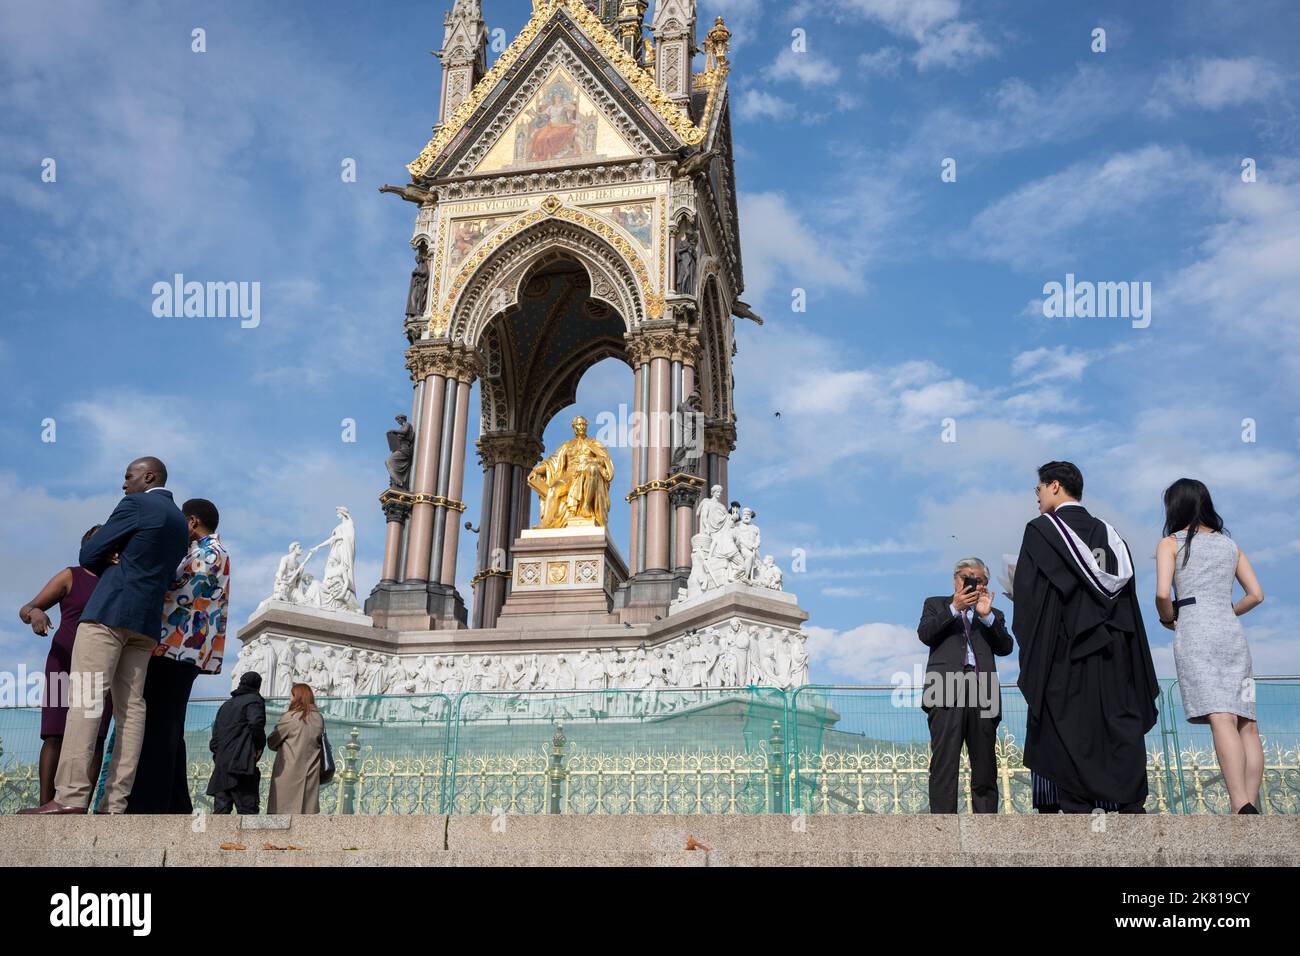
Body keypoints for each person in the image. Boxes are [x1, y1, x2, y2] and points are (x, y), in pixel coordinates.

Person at [21, 457, 189, 815]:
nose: (124, 484)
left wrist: (113, 553)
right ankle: (115, 804)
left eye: (128, 476)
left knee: (85, 702)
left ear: (148, 476)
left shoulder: (136, 504)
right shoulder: (179, 522)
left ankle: (70, 797)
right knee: (132, 711)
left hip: (108, 614)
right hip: (145, 625)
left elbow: (89, 553)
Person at [1013, 461, 1159, 813]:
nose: (1037, 498)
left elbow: (1030, 598)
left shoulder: (1040, 531)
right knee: (1116, 718)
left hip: (1065, 650)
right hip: (1115, 649)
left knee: (1070, 720)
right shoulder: (1113, 536)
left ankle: (1076, 801)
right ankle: (1128, 802)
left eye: (1039, 490)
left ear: (1055, 487)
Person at [1154, 478, 1264, 814]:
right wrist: (1228, 610)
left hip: (1196, 629)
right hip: (1231, 632)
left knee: (1220, 716)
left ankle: (1239, 803)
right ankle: (1252, 801)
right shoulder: (1231, 546)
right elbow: (1256, 595)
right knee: (1246, 720)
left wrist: (1167, 617)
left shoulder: (1170, 543)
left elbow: (1161, 594)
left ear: (1175, 506)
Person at [127, 498, 231, 813]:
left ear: (191, 521)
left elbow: (182, 591)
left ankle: (150, 801)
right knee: (169, 724)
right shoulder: (207, 552)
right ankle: (174, 802)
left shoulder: (208, 553)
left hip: (177, 647)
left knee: (159, 723)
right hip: (185, 649)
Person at [17, 526, 114, 805]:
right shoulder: (71, 575)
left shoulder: (117, 580)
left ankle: (78, 806)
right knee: (55, 734)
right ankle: (46, 804)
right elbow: (28, 607)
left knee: (94, 736)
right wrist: (36, 613)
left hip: (100, 668)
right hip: (64, 662)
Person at [917, 558, 1014, 813]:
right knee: (944, 762)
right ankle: (943, 825)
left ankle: (985, 826)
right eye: (966, 578)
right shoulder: (936, 604)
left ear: (986, 584)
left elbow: (1006, 647)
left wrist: (987, 617)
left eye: (979, 580)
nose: (972, 583)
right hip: (944, 688)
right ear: (955, 579)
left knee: (985, 765)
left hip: (983, 691)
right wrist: (953, 608)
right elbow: (925, 634)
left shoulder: (994, 615)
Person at [207, 672, 267, 814]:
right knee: (247, 811)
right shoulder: (254, 701)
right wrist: (258, 746)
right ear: (258, 686)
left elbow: (215, 738)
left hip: (222, 765)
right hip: (242, 764)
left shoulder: (226, 705)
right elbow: (256, 724)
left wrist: (219, 755)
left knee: (221, 813)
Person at [267, 683, 324, 815]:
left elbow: (272, 742)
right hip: (311, 771)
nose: (290, 700)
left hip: (288, 773)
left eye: (291, 696)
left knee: (282, 813)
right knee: (306, 813)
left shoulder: (291, 717)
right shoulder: (318, 719)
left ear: (297, 697)